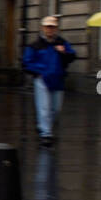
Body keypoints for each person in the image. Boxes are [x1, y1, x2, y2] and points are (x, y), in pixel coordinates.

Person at [22, 15, 76, 145]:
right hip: (43, 79)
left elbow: (72, 56)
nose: (50, 30)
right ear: (43, 28)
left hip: (58, 78)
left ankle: (44, 126)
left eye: (52, 27)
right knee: (44, 107)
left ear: (56, 28)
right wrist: (39, 72)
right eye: (48, 27)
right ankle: (46, 133)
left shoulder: (62, 43)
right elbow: (26, 62)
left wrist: (64, 53)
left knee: (55, 109)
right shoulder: (35, 45)